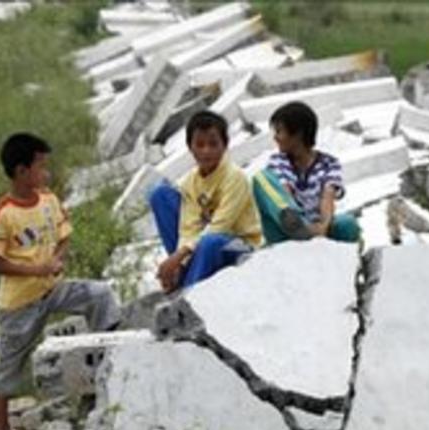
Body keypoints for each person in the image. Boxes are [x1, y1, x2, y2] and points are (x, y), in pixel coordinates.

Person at [0, 133, 120, 430]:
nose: (46, 173)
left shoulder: (48, 200)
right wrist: (35, 270)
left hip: (53, 288)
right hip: (19, 303)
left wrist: (57, 258)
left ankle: (106, 363)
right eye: (41, 166)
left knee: (99, 295)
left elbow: (63, 233)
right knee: (9, 363)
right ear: (21, 171)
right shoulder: (3, 213)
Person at [147, 111, 262, 292]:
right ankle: (183, 272)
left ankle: (188, 294)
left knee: (211, 241)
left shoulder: (235, 177)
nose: (206, 151)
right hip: (201, 246)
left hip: (236, 245)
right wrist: (179, 262)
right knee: (160, 194)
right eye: (199, 145)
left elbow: (220, 226)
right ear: (190, 147)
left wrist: (180, 255)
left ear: (225, 145)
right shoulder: (191, 181)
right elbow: (188, 227)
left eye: (213, 144)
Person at [251, 101, 360, 244]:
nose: (275, 138)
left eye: (279, 131)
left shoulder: (329, 164)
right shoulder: (277, 161)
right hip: (286, 232)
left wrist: (322, 228)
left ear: (297, 134)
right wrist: (300, 225)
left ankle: (307, 233)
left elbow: (327, 197)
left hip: (316, 227)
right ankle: (299, 228)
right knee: (261, 178)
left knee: (348, 223)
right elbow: (285, 192)